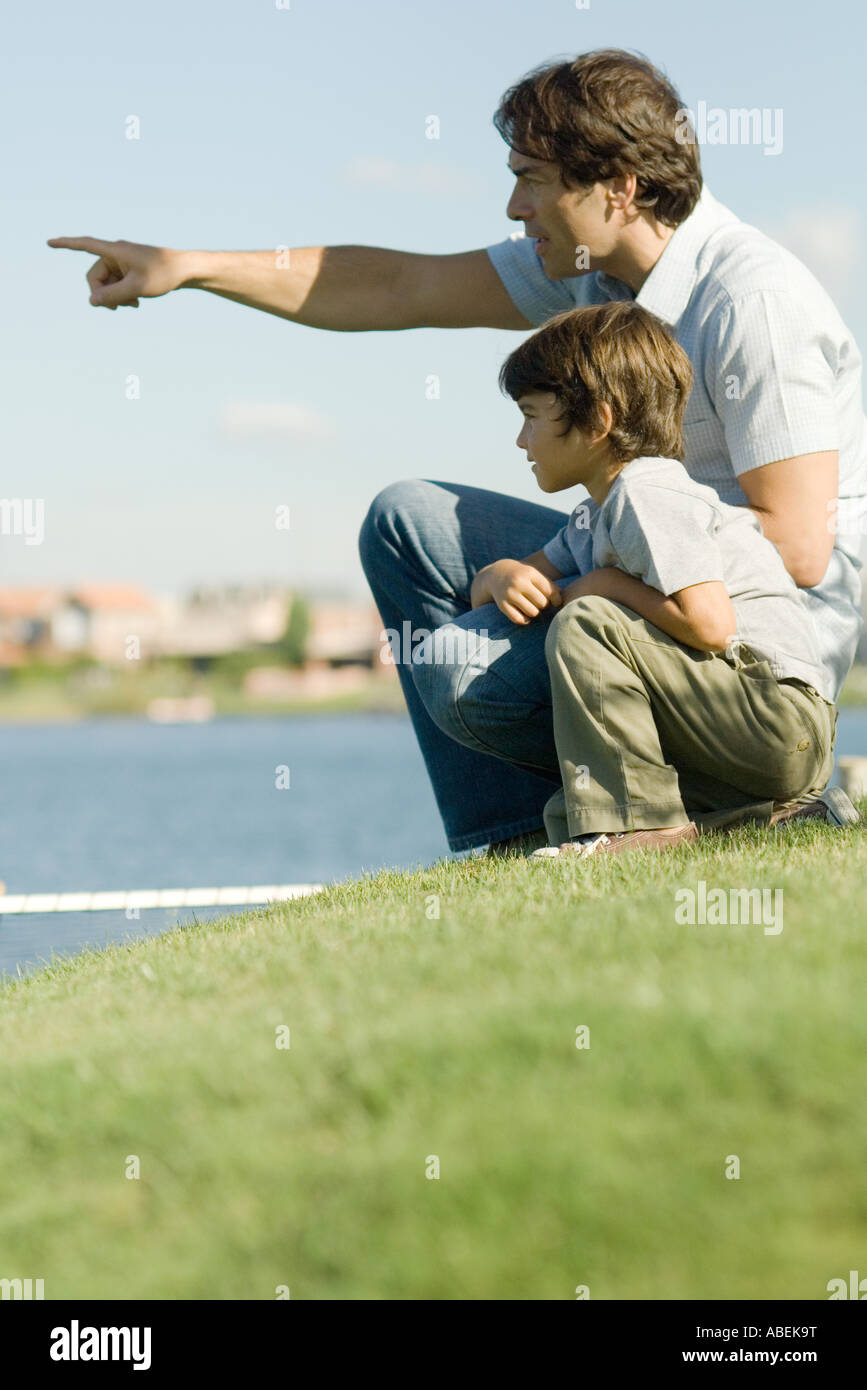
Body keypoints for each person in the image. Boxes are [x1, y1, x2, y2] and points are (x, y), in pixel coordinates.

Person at [47, 49, 867, 853]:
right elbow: (400, 286)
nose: (515, 208)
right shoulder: (596, 274)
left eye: (532, 180)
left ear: (617, 188)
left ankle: (744, 791)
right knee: (407, 521)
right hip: (651, 576)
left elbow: (796, 547)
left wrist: (586, 585)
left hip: (756, 647)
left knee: (464, 673)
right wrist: (192, 266)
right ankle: (513, 833)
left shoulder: (750, 301)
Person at [433, 299, 849, 858]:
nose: (521, 440)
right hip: (755, 736)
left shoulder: (647, 492)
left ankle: (636, 827)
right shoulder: (595, 515)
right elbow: (520, 578)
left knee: (588, 623)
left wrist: (606, 584)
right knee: (588, 634)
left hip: (777, 717)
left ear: (598, 422)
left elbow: (711, 624)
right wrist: (499, 574)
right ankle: (775, 819)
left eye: (531, 416)